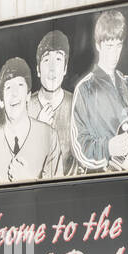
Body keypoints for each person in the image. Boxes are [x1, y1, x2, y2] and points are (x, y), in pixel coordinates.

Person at [70, 10, 128, 171]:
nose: (114, 54)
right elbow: (79, 146)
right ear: (98, 45)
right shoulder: (85, 89)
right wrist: (108, 148)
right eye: (109, 46)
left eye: (118, 46)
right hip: (109, 179)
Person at [0, 58, 60, 184]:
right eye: (8, 88)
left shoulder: (49, 136)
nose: (14, 93)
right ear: (1, 100)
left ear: (28, 95)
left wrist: (28, 180)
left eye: (20, 85)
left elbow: (56, 195)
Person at [29, 29, 77, 176]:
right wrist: (38, 130)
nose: (52, 69)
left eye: (58, 59)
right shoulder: (25, 107)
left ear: (65, 68)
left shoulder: (76, 104)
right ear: (38, 69)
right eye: (46, 60)